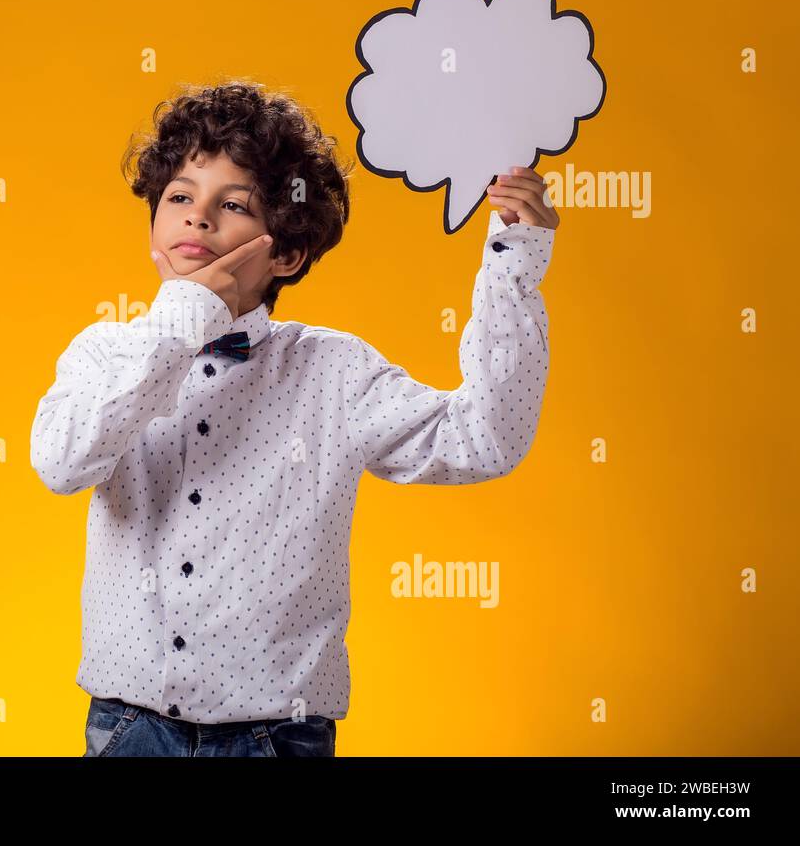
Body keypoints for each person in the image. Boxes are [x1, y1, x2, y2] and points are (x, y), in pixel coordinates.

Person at [30, 80, 558, 756]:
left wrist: (514, 268)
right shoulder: (106, 354)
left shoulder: (333, 372)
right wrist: (187, 318)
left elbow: (484, 438)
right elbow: (62, 462)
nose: (198, 218)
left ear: (285, 254)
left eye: (233, 205)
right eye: (181, 198)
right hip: (130, 729)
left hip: (276, 735)